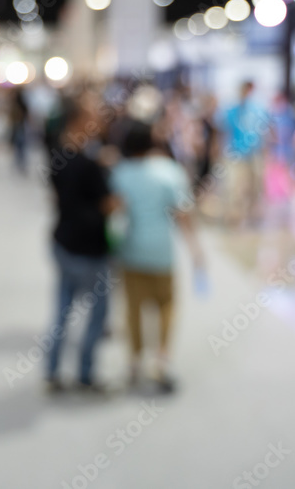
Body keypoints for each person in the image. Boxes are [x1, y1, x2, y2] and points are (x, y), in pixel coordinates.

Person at [110, 122, 204, 392]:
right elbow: (182, 213)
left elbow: (115, 210)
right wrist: (195, 249)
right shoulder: (169, 172)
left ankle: (135, 362)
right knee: (166, 306)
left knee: (133, 308)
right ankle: (161, 361)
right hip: (161, 251)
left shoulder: (120, 173)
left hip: (129, 250)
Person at [45, 93, 118, 392]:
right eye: (92, 116)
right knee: (97, 313)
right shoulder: (89, 166)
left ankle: (52, 372)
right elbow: (108, 204)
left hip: (63, 242)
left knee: (62, 310)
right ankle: (85, 374)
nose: (98, 121)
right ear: (79, 122)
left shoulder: (59, 158)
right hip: (89, 249)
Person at [223, 81, 270, 225]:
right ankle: (235, 216)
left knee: (255, 186)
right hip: (236, 153)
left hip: (255, 154)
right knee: (235, 186)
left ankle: (252, 214)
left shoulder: (259, 109)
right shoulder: (232, 110)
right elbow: (224, 131)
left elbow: (266, 131)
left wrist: (266, 153)